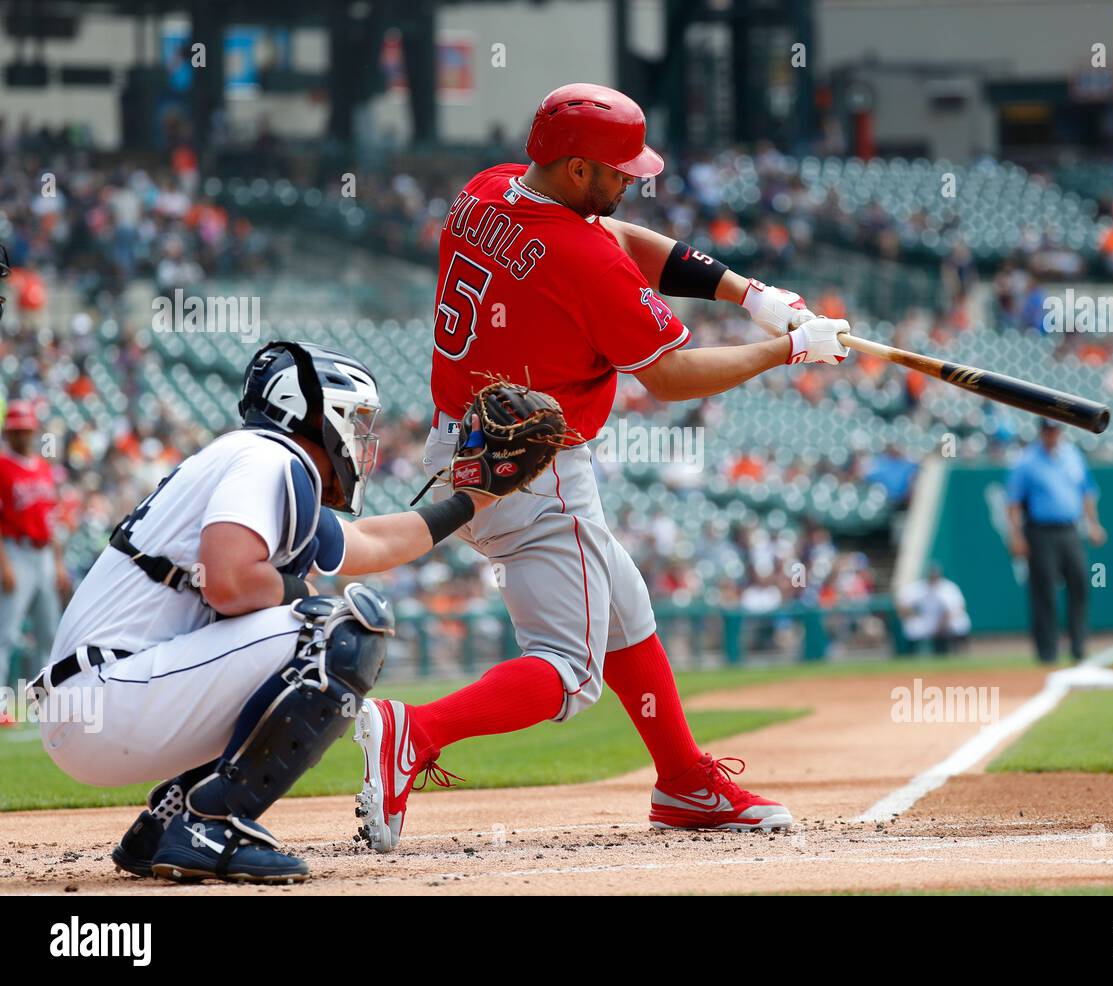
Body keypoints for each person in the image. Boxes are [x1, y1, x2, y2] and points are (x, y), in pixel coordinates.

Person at [354, 81, 852, 852]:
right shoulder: (580, 255)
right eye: (618, 170)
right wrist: (785, 348)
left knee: (625, 610)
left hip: (472, 439)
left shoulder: (488, 187)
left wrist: (748, 293)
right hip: (535, 464)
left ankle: (684, 781)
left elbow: (618, 237)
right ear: (577, 170)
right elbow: (670, 374)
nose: (631, 182)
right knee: (567, 670)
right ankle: (412, 731)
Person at [32, 341, 524, 883]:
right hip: (109, 696)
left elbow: (369, 543)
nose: (361, 439)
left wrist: (475, 498)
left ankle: (168, 822)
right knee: (338, 629)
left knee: (310, 618)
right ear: (312, 411)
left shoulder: (256, 462)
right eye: (356, 419)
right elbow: (230, 581)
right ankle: (212, 823)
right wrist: (298, 591)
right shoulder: (269, 457)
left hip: (102, 700)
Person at [1005, 419, 1106, 664]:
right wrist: (1016, 536)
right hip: (1040, 531)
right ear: (1041, 432)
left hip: (1070, 529)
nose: (1052, 434)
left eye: (1056, 430)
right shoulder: (1027, 461)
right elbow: (1013, 502)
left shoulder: (1072, 455)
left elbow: (1087, 493)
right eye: (1048, 430)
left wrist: (1093, 524)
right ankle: (1047, 651)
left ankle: (1079, 646)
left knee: (1079, 585)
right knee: (1044, 591)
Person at [0, 400, 69, 725]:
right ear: (8, 432)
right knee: (6, 634)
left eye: (27, 429)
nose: (24, 434)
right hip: (15, 551)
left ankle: (41, 705)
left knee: (48, 634)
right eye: (18, 430)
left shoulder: (42, 467)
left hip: (43, 555)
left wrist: (57, 563)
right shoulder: (2, 465)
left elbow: (51, 519)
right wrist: (4, 565)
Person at [895, 562, 970, 655]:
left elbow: (955, 609)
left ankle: (960, 654)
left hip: (948, 620)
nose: (933, 578)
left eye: (935, 576)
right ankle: (910, 654)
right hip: (927, 619)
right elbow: (902, 603)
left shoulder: (948, 588)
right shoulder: (919, 587)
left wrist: (942, 626)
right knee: (912, 627)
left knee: (960, 623)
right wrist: (912, 613)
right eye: (931, 576)